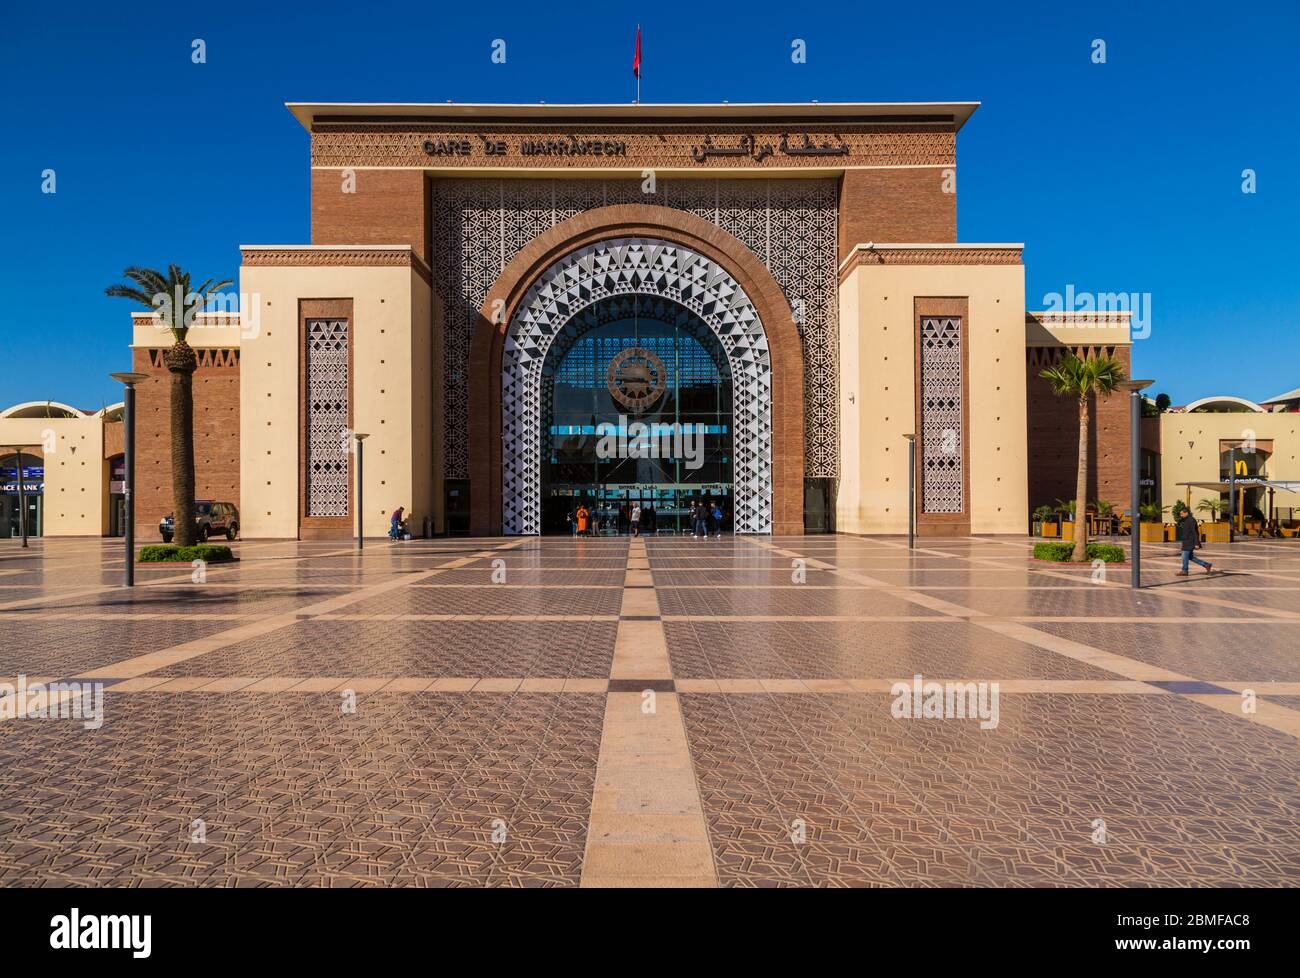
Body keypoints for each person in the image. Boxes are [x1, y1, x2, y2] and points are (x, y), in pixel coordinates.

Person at [1175, 506, 1213, 576]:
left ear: (1186, 513)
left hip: (1189, 542)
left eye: (1182, 514)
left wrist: (1196, 543)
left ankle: (1184, 571)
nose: (1181, 515)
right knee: (1190, 557)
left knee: (1184, 556)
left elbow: (1195, 532)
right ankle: (1206, 565)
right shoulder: (1187, 520)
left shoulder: (1191, 520)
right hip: (1186, 541)